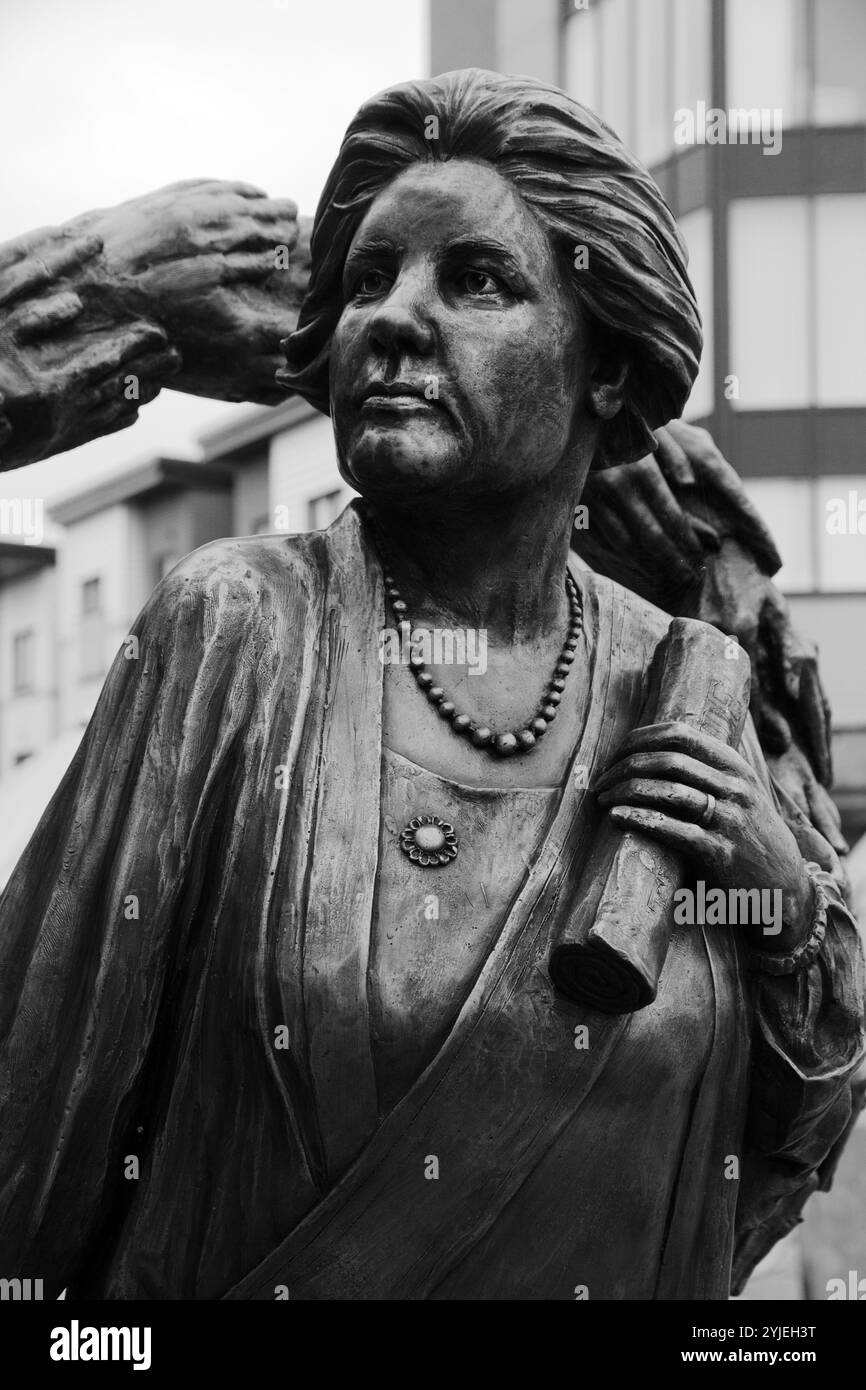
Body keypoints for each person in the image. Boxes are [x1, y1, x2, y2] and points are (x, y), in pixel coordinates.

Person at [0, 68, 862, 1301]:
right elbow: (32, 1127)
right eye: (366, 279)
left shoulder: (685, 685)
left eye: (475, 279)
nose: (393, 317)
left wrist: (781, 913)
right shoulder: (234, 630)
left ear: (606, 373)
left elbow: (776, 1156)